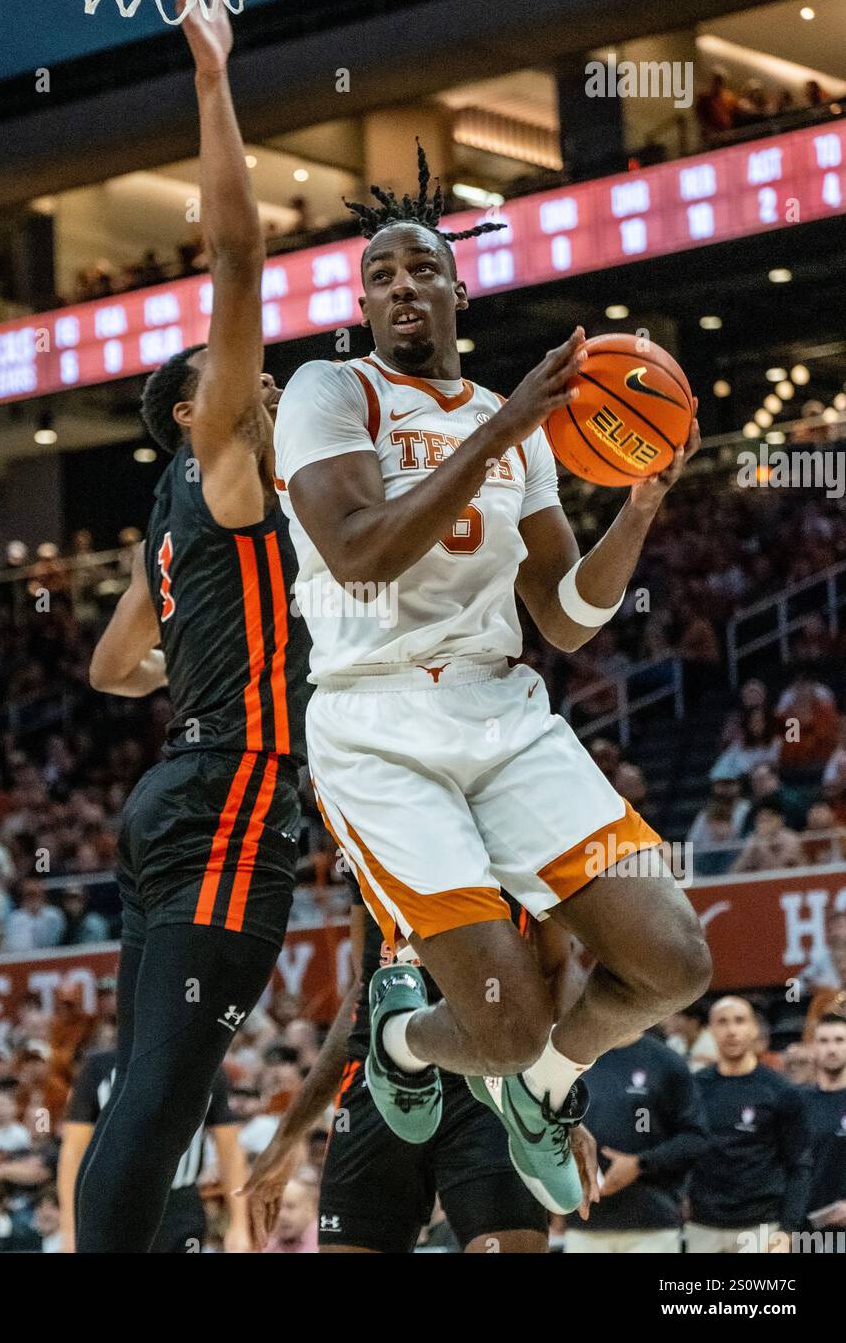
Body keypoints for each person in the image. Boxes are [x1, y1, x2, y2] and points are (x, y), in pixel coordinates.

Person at [273, 142, 709, 1215]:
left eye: (420, 267)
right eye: (379, 275)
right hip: (375, 724)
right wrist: (508, 419)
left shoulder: (522, 436)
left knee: (671, 961)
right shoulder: (330, 393)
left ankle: (548, 1090)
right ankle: (403, 1037)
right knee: (498, 1021)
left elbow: (563, 616)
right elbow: (363, 551)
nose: (400, 286)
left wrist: (639, 509)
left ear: (456, 286)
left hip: (501, 706)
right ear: (362, 303)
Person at [74, 0, 311, 1254]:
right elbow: (238, 257)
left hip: (182, 784)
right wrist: (214, 78)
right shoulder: (220, 459)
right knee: (162, 1096)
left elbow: (116, 664)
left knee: (155, 1095)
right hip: (227, 788)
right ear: (199, 408)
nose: (262, 385)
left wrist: (211, 642)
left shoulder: (177, 521)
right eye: (244, 381)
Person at [242, 873, 598, 1253]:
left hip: (490, 1087)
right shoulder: (366, 828)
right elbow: (366, 988)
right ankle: (400, 1045)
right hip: (379, 1080)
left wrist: (553, 1098)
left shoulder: (514, 829)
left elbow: (558, 966)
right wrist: (288, 1135)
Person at [60, 1048, 250, 1253]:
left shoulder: (206, 1066)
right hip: (113, 1201)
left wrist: (240, 1224)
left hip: (179, 1205)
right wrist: (69, 1228)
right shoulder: (99, 1067)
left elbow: (230, 1151)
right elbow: (73, 1152)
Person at [563, 1030, 707, 1253]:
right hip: (583, 1223)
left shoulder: (666, 1061)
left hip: (651, 1224)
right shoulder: (571, 1059)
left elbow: (695, 1138)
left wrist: (640, 1163)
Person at [686, 997, 811, 1253]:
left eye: (740, 1021)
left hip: (761, 1226)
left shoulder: (781, 1091)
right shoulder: (694, 1088)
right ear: (710, 1030)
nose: (731, 1031)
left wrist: (788, 1230)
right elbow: (682, 1150)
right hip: (702, 1226)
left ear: (754, 1029)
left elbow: (800, 1165)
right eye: (722, 1022)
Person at [802, 1014, 846, 1243]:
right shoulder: (797, 1101)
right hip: (805, 1229)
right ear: (813, 1048)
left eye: (839, 1040)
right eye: (824, 1041)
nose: (832, 1048)